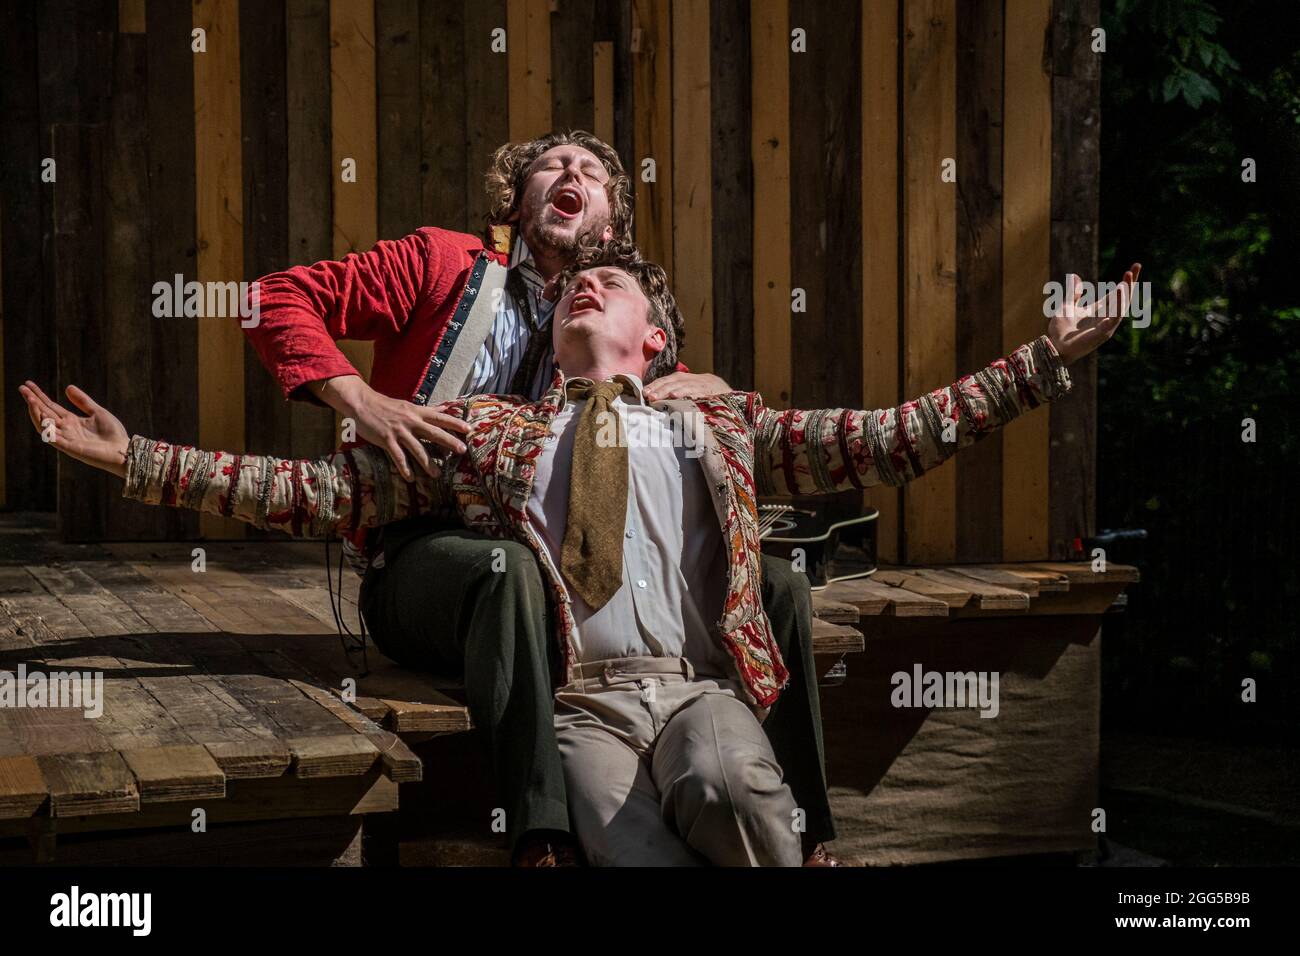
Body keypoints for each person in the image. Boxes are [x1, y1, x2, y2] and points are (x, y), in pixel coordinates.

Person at [20, 246, 1140, 866]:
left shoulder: (724, 423)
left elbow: (896, 435)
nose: (580, 288)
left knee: (734, 792)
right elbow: (318, 492)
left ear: (657, 334)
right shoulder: (498, 434)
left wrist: (1041, 360)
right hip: (581, 703)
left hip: (698, 685)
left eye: (609, 284)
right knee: (626, 841)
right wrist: (137, 463)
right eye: (568, 288)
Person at [242, 129, 833, 865]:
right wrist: (360, 399)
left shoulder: (607, 304)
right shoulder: (440, 264)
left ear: (608, 224)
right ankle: (540, 829)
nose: (569, 173)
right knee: (505, 570)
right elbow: (270, 297)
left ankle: (810, 836)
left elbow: (648, 416)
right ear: (518, 201)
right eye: (551, 165)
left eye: (590, 171)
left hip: (565, 590)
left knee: (775, 582)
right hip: (424, 548)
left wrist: (714, 386)